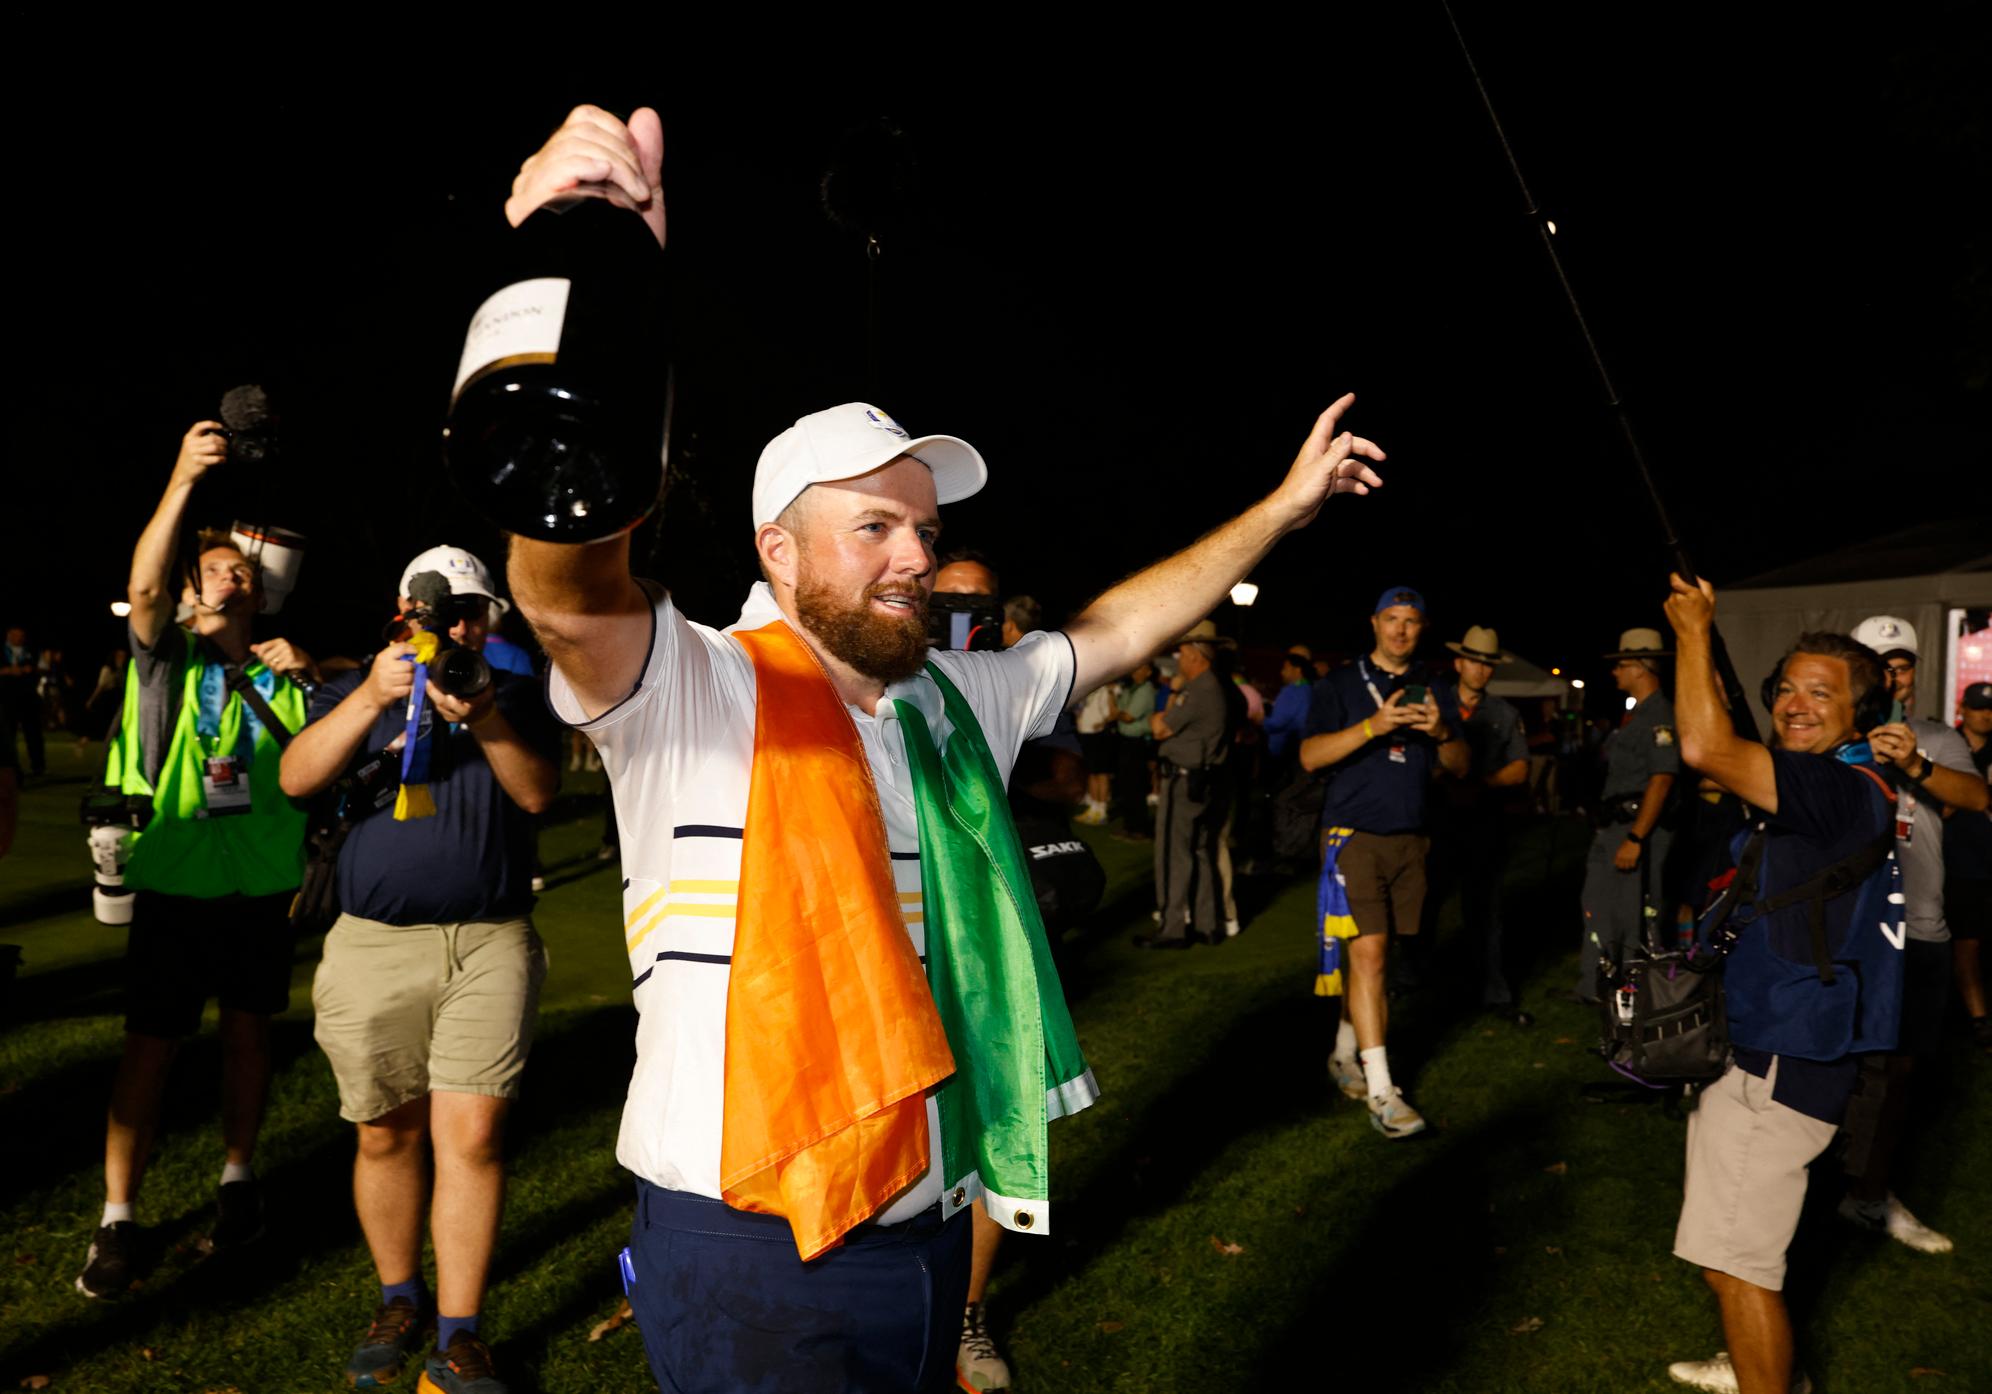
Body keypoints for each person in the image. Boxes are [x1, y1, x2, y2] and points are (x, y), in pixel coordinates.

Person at [499, 95, 1388, 1394]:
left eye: (922, 526)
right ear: (776, 550)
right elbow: (569, 589)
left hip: (925, 1227)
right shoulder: (691, 684)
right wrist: (586, 289)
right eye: (876, 526)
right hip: (746, 1237)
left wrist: (1284, 506)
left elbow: (1120, 625)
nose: (916, 554)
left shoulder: (950, 702)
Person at [278, 545, 560, 1392]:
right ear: (403, 612)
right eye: (443, 611)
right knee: (383, 1129)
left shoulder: (514, 692)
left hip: (488, 941)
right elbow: (296, 777)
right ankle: (399, 1297)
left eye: (473, 610)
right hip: (373, 943)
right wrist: (371, 693)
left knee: (472, 1136)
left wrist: (482, 716)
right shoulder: (355, 689)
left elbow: (539, 793)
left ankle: (460, 1331)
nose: (460, 626)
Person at [76, 422, 317, 1299]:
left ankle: (237, 1179)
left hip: (262, 893)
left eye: (243, 570)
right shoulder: (163, 661)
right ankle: (118, 1217)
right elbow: (142, 585)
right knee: (151, 1050)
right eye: (216, 568)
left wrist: (315, 672)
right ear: (190, 590)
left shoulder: (287, 672)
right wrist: (182, 477)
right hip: (174, 887)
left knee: (250, 1042)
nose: (233, 574)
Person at [1662, 578, 1905, 1394]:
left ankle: (1771, 1379)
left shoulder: (1836, 788)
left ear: (1861, 714)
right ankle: (1759, 1365)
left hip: (1782, 1058)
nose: (1797, 705)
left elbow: (1702, 746)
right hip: (1772, 1044)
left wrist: (1694, 630)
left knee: (1740, 1269)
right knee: (1727, 1251)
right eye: (1787, 689)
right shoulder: (1840, 781)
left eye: (1822, 693)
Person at [1833, 617, 1988, 1256]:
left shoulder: (1934, 737)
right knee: (1830, 1066)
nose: (1892, 674)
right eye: (1877, 663)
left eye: (1901, 664)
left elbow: (1976, 797)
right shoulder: (1830, 737)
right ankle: (1819, 1187)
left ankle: (1871, 1194)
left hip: (1918, 929)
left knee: (1896, 1074)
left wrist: (1914, 762)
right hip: (1844, 932)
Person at [1300, 587, 1467, 1139]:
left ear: (1422, 629)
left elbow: (1462, 764)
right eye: (1391, 619)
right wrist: (1375, 725)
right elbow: (1309, 756)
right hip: (1353, 838)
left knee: (1377, 959)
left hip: (1411, 842)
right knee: (1368, 957)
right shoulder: (1341, 684)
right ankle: (1382, 1094)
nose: (1400, 630)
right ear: (1374, 623)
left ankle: (1344, 1053)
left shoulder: (1435, 686)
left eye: (1411, 621)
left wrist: (1440, 731)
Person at [1429, 626, 1532, 1023]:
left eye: (1488, 664)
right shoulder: (1437, 705)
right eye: (1475, 661)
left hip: (1483, 824)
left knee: (1485, 911)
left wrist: (1481, 786)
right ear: (1459, 662)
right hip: (1436, 820)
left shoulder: (1504, 714)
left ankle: (1492, 990)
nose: (1481, 670)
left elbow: (1520, 768)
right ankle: (1414, 979)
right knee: (1423, 905)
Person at [1574, 628, 1679, 1002]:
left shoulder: (1659, 715)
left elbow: (1662, 779)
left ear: (1637, 665)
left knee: (1633, 913)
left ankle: (1635, 990)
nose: (1615, 672)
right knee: (1601, 905)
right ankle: (1596, 983)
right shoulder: (1635, 715)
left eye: (1621, 664)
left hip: (1635, 830)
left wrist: (1636, 837)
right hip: (1613, 825)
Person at [1139, 622, 1237, 949]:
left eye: (1182, 651)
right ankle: (1208, 924)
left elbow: (1159, 729)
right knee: (1202, 851)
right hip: (1207, 779)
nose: (1178, 658)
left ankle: (1173, 927)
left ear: (1195, 654)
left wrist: (1172, 695)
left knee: (1173, 853)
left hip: (1184, 780)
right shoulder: (1220, 686)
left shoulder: (1197, 690)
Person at [1947, 682, 1992, 1049]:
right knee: (1966, 943)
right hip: (1954, 859)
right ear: (1963, 708)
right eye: (1979, 708)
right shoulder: (1947, 745)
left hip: (1984, 858)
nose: (1987, 714)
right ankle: (1976, 1020)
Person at [1112, 660, 1158, 839]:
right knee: (1127, 785)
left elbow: (1128, 716)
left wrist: (1118, 714)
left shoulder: (1145, 690)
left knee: (1136, 786)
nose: (1136, 672)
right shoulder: (1132, 688)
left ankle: (1139, 829)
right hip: (1126, 741)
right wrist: (1118, 713)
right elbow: (1119, 712)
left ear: (1148, 672)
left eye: (1141, 669)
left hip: (1137, 743)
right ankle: (1130, 825)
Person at [1, 625, 44, 776]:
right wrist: (6, 671)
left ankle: (38, 766)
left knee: (33, 733)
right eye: (15, 635)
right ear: (9, 635)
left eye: (21, 636)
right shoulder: (2, 651)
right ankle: (11, 767)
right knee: (7, 734)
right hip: (6, 698)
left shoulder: (31, 651)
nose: (18, 638)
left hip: (28, 697)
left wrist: (30, 670)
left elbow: (42, 668)